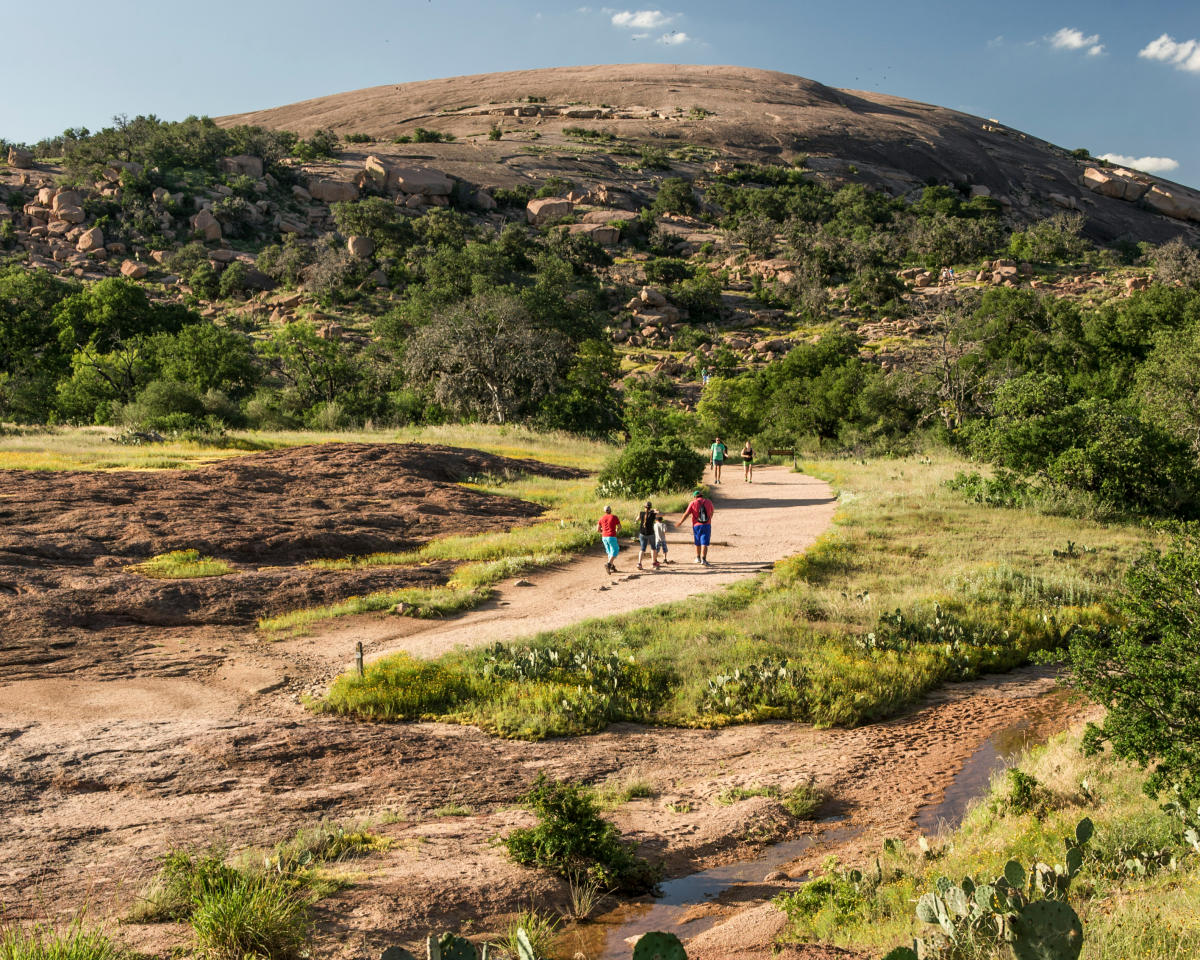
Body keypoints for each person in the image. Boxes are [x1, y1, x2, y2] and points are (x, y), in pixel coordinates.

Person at [677, 488, 716, 566]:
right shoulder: (708, 502)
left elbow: (686, 514)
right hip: (706, 525)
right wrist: (709, 519)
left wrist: (680, 522)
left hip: (696, 525)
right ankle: (704, 559)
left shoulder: (693, 503)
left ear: (695, 497)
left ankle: (698, 558)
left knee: (697, 542)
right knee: (704, 542)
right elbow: (712, 512)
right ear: (702, 496)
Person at [597, 505, 621, 575]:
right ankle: (609, 564)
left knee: (609, 552)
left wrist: (603, 532)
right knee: (615, 550)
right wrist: (616, 531)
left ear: (604, 511)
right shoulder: (614, 517)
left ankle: (612, 566)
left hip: (604, 537)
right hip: (612, 536)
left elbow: (598, 529)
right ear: (611, 510)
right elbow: (619, 527)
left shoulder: (601, 518)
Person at [635, 500, 656, 571]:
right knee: (653, 548)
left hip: (642, 533)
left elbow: (636, 519)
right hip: (650, 533)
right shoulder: (653, 514)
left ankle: (639, 563)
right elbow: (662, 515)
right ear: (650, 507)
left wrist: (636, 521)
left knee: (642, 548)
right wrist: (655, 511)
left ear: (644, 507)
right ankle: (654, 562)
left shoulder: (641, 513)